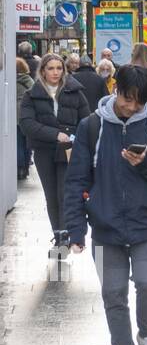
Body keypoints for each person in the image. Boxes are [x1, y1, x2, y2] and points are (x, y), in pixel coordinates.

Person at [63, 65, 147, 345]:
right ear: (116, 88)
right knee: (113, 294)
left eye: (138, 103)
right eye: (127, 99)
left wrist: (146, 164)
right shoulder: (91, 127)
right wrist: (75, 230)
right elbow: (76, 182)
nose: (130, 107)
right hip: (105, 228)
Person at [19, 53, 91, 237]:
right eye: (50, 68)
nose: (55, 72)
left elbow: (87, 121)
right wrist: (56, 134)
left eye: (59, 68)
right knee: (51, 194)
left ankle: (66, 232)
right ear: (42, 71)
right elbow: (27, 124)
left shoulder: (75, 92)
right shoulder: (31, 95)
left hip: (69, 150)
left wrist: (75, 137)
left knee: (65, 192)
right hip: (44, 151)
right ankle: (58, 233)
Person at [15, 57, 33, 180]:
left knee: (18, 143)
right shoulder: (29, 80)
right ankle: (25, 167)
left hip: (14, 114)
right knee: (27, 143)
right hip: (28, 113)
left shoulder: (11, 81)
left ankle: (19, 168)